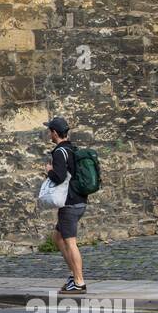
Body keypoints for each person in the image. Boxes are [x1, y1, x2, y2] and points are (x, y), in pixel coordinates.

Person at [44, 116, 88, 294]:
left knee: (70, 243)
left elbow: (60, 177)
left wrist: (49, 172)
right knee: (57, 237)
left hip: (69, 204)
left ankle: (79, 281)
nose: (49, 134)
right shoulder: (72, 149)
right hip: (79, 200)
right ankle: (73, 274)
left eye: (50, 131)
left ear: (55, 133)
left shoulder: (59, 152)